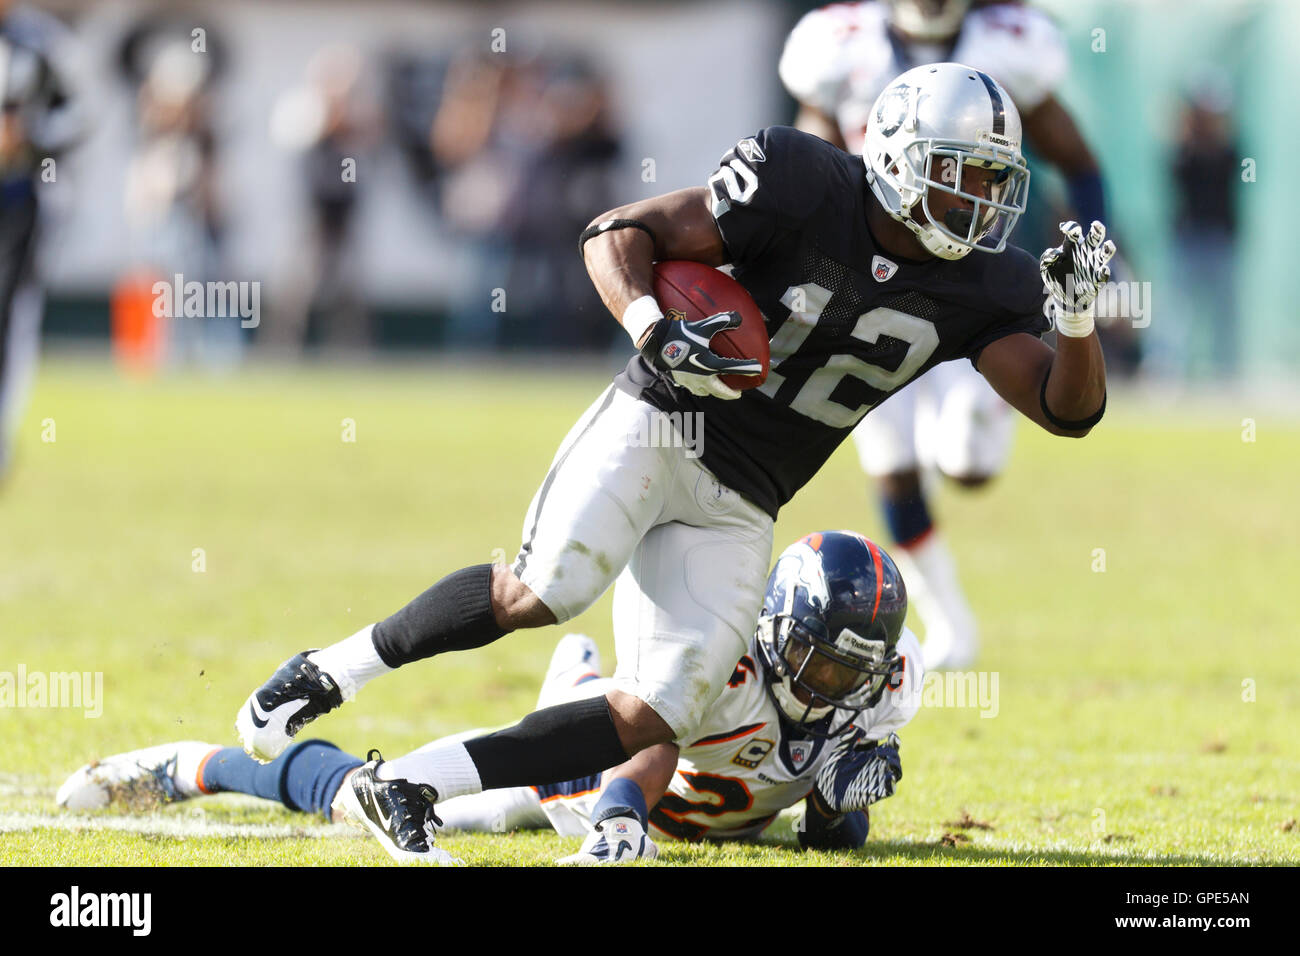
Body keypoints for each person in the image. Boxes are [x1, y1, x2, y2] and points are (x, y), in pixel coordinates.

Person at [232, 61, 1112, 862]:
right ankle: (328, 670)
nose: (981, 204)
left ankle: (414, 783)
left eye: (995, 182)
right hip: (662, 418)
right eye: (961, 177)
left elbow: (1063, 410)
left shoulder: (986, 282)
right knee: (543, 589)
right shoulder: (799, 179)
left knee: (655, 711)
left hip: (747, 494)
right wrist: (654, 327)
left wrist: (1076, 325)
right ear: (896, 155)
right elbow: (618, 233)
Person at [60, 533, 922, 864]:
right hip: (574, 784)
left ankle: (575, 675)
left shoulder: (886, 684)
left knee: (593, 697)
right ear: (773, 630)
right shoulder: (724, 662)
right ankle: (192, 766)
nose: (834, 687)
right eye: (822, 662)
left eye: (855, 671)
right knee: (357, 797)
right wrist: (621, 817)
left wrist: (841, 802)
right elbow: (646, 747)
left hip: (684, 795)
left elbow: (826, 831)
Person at [780, 0, 1109, 668]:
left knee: (965, 463)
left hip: (964, 279)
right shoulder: (837, 46)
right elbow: (808, 159)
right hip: (863, 280)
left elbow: (1076, 155)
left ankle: (978, 406)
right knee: (892, 465)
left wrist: (1095, 246)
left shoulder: (1010, 42)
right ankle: (951, 623)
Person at [0, 0, 79, 479]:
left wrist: (30, 135)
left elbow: (81, 114)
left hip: (19, 203)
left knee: (10, 314)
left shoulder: (43, 44)